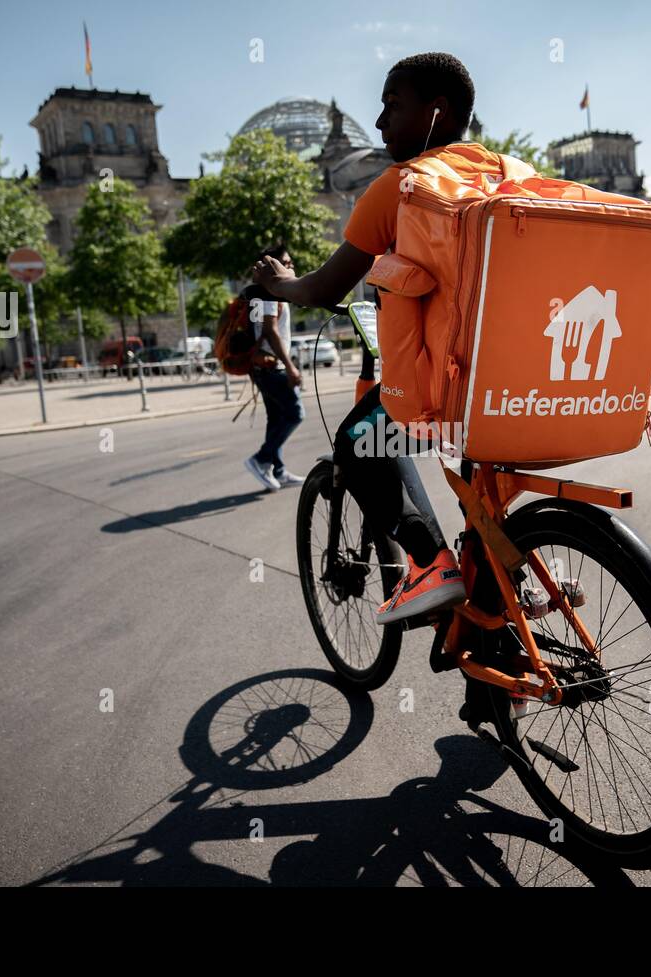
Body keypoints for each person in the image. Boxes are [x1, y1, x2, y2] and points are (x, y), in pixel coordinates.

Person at [254, 52, 499, 624]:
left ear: (436, 113)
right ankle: (503, 602)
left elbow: (325, 287)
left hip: (450, 386)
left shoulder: (400, 186)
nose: (381, 120)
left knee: (360, 441)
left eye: (393, 105)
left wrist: (280, 283)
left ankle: (430, 564)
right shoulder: (502, 172)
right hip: (522, 385)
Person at [242, 244, 306, 492]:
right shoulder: (268, 292)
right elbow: (269, 330)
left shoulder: (263, 292)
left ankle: (277, 470)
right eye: (287, 263)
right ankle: (261, 459)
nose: (291, 267)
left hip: (262, 366)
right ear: (273, 266)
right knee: (295, 413)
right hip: (271, 366)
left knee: (276, 417)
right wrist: (290, 367)